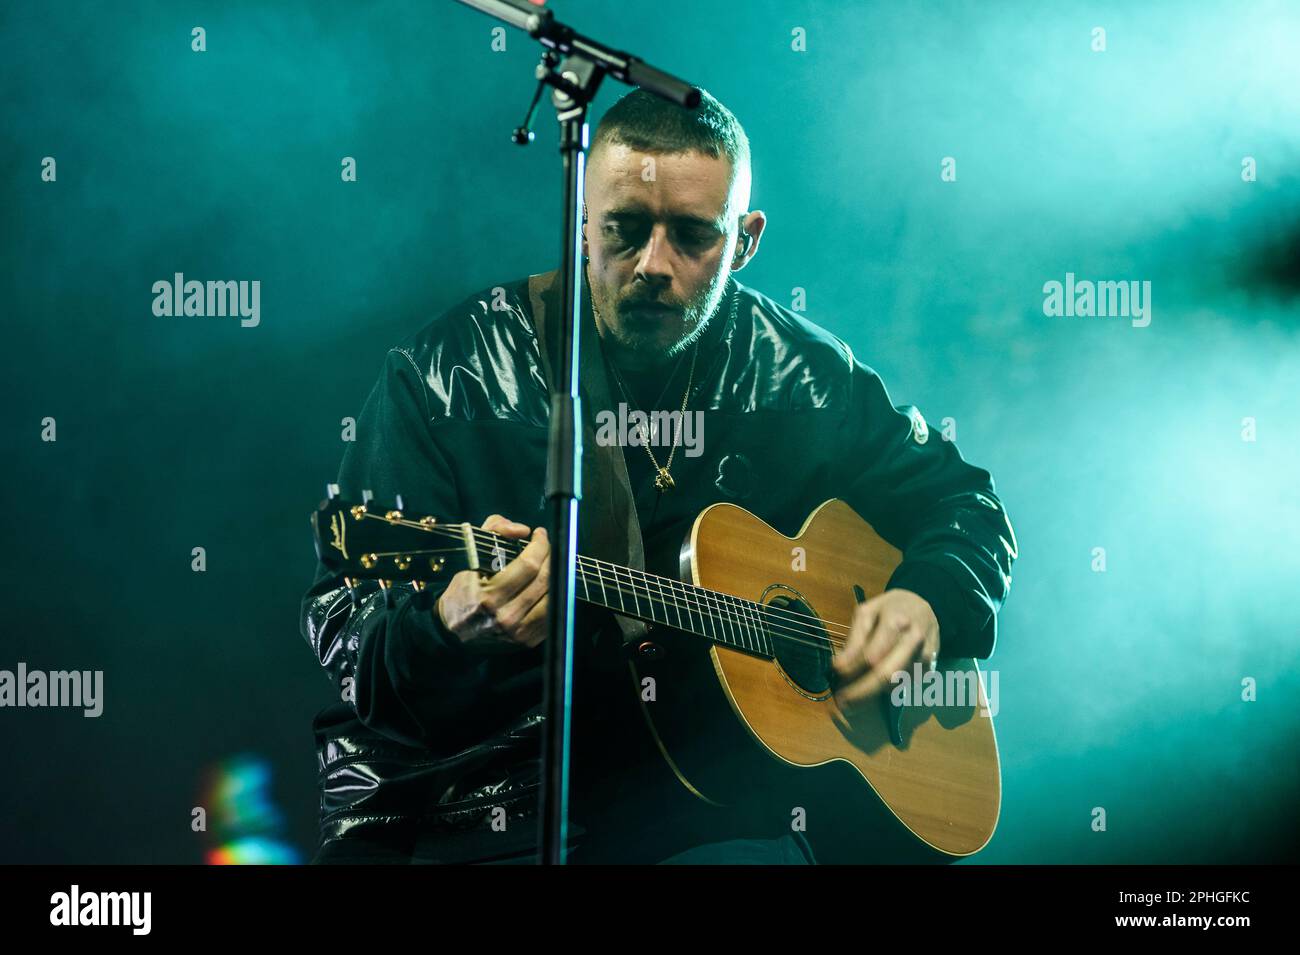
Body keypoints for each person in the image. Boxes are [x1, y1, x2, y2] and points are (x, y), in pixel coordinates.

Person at [299, 87, 1017, 865]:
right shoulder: (444, 376)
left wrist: (928, 598)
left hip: (726, 791)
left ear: (744, 242)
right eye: (625, 229)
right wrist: (443, 630)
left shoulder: (802, 375)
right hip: (498, 790)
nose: (652, 265)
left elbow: (962, 500)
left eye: (692, 236)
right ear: (580, 219)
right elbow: (349, 625)